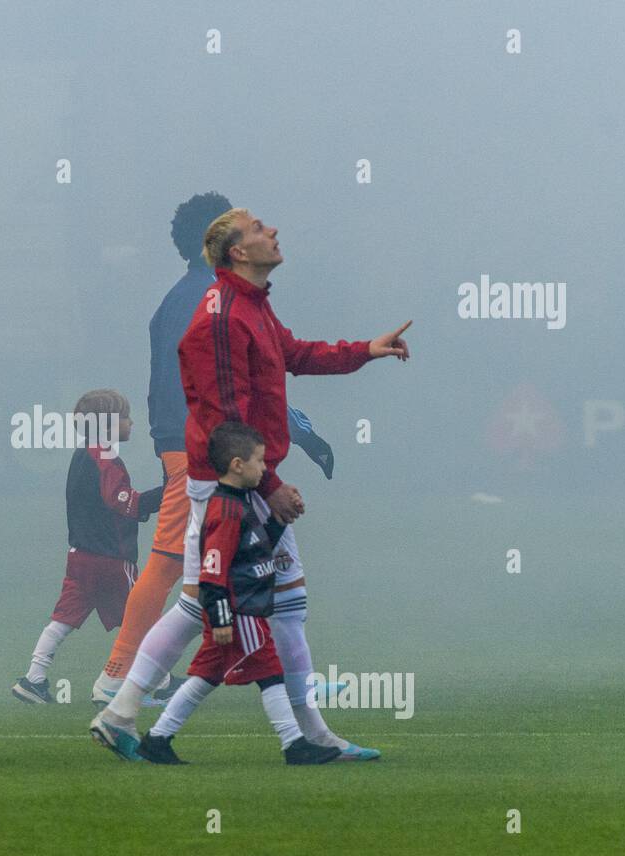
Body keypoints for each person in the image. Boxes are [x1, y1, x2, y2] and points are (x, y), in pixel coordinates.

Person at [91, 207, 411, 761]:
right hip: (230, 487)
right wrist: (270, 488)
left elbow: (294, 355)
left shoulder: (249, 306)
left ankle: (123, 712)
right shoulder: (221, 318)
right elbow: (225, 420)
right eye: (261, 229)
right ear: (237, 252)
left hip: (241, 481)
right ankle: (308, 737)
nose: (275, 231)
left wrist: (365, 350)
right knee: (267, 604)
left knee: (224, 604)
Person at [92, 193, 338, 706]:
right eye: (244, 227)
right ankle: (119, 679)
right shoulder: (216, 300)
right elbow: (234, 387)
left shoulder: (180, 298)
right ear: (226, 245)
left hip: (191, 444)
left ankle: (282, 685)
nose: (263, 231)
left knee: (210, 575)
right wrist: (292, 442)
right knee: (174, 571)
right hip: (209, 453)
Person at [137, 423, 333, 765]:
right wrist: (223, 618)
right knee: (271, 674)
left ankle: (156, 738)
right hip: (238, 613)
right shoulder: (225, 511)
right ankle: (294, 744)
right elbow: (212, 572)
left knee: (204, 678)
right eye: (259, 461)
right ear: (237, 465)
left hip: (238, 613)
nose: (265, 469)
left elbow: (256, 549)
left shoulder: (240, 504)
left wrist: (280, 520)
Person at [12, 389, 162, 704]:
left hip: (80, 557)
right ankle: (157, 684)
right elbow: (123, 501)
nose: (131, 423)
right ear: (108, 425)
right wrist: (170, 492)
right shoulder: (105, 456)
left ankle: (33, 679)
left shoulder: (83, 454)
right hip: (111, 560)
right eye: (125, 417)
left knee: (62, 620)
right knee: (141, 616)